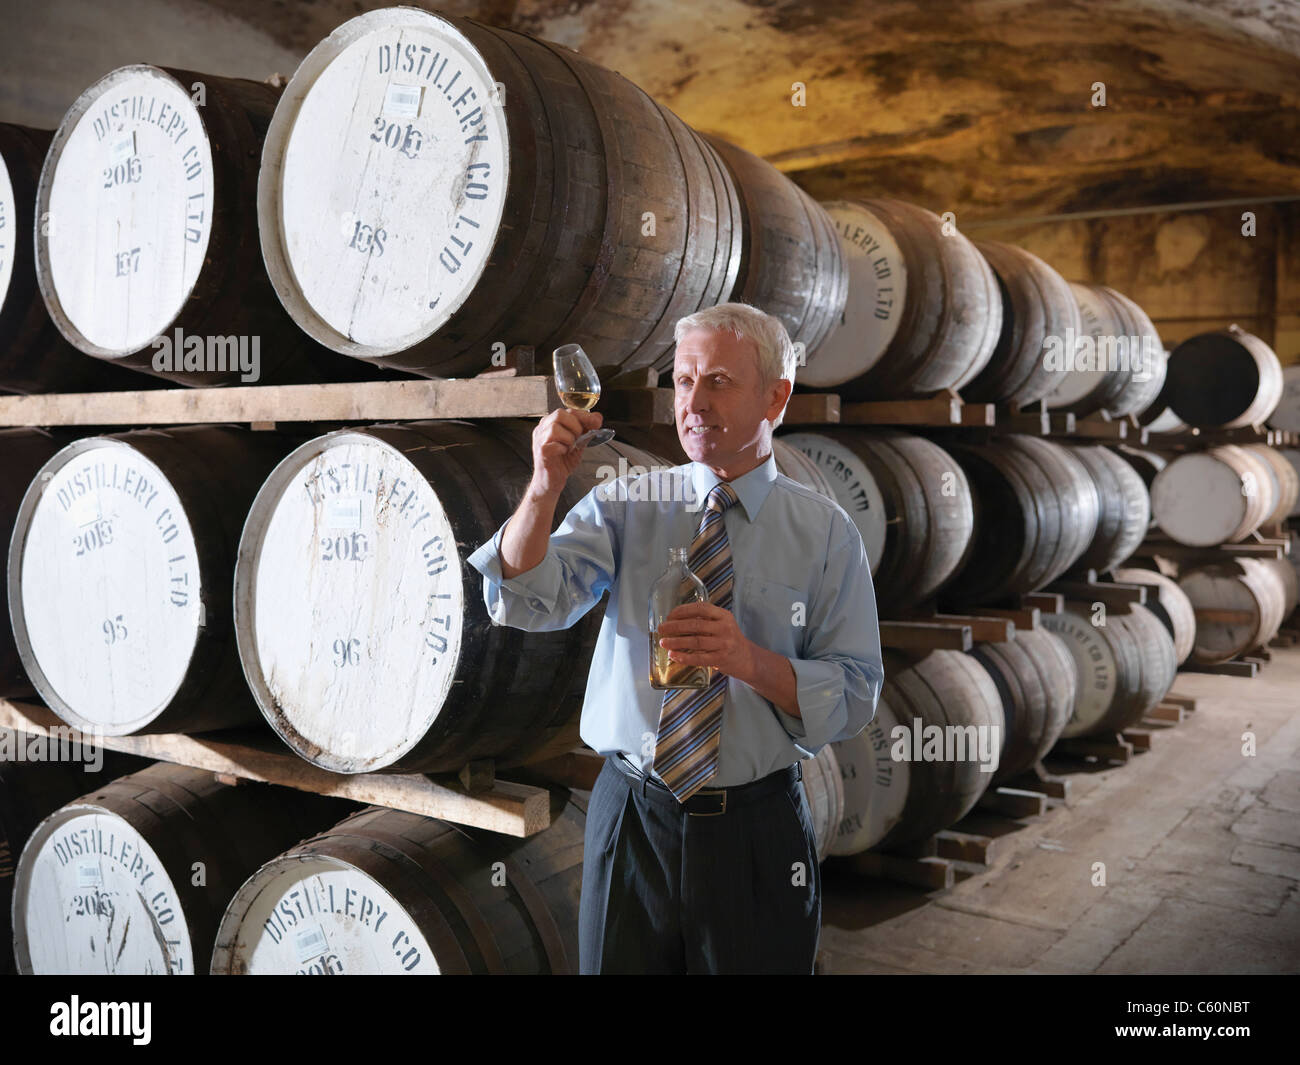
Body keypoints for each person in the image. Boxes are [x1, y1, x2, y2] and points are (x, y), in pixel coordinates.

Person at [466, 301, 883, 974]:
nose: (694, 401)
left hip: (756, 827)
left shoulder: (827, 534)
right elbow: (522, 597)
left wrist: (748, 660)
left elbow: (857, 691)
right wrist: (543, 487)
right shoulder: (626, 504)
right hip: (631, 815)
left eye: (718, 381)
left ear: (776, 395)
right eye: (684, 382)